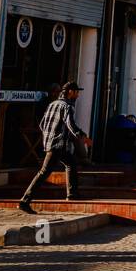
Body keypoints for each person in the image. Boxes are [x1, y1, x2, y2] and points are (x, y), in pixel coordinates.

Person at [18, 81, 91, 213]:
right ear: (70, 92)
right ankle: (25, 200)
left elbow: (42, 124)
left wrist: (49, 135)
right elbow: (71, 125)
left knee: (71, 163)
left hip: (51, 143)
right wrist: (83, 137)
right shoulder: (67, 106)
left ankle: (72, 194)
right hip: (57, 144)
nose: (78, 95)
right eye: (77, 92)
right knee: (44, 172)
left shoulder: (52, 104)